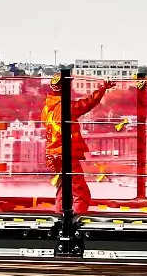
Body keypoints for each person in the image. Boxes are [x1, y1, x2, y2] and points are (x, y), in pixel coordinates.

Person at [40, 78, 114, 213]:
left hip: (53, 155)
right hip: (66, 155)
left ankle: (60, 219)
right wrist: (102, 89)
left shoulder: (46, 108)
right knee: (81, 192)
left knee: (63, 190)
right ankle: (77, 222)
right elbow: (88, 103)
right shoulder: (66, 107)